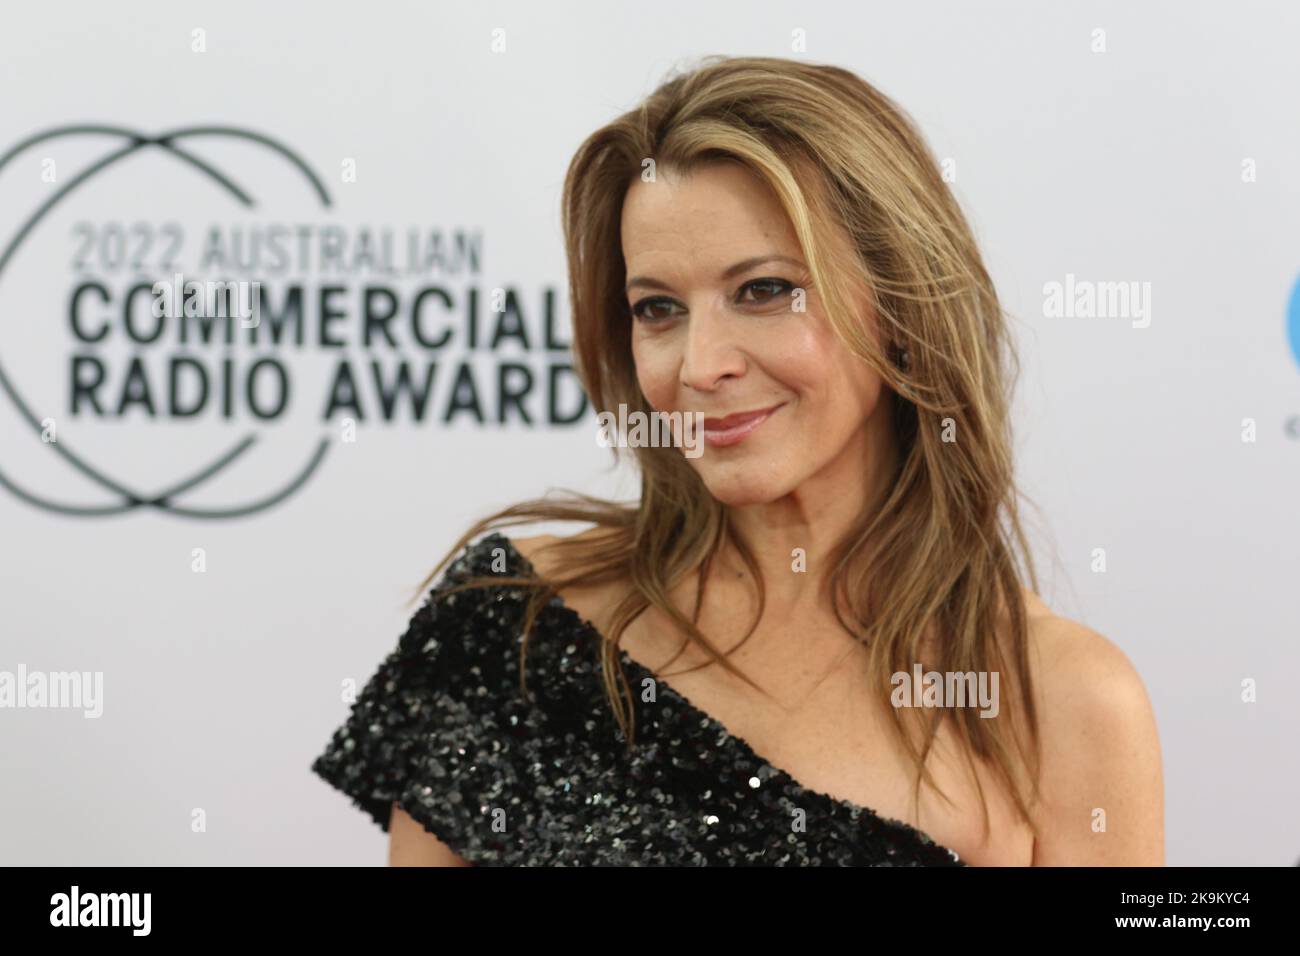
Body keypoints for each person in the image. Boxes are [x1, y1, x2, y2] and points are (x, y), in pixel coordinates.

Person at [312, 55, 1164, 866]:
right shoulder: (512, 626)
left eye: (763, 291)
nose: (699, 363)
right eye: (657, 308)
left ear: (900, 304)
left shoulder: (1065, 700)